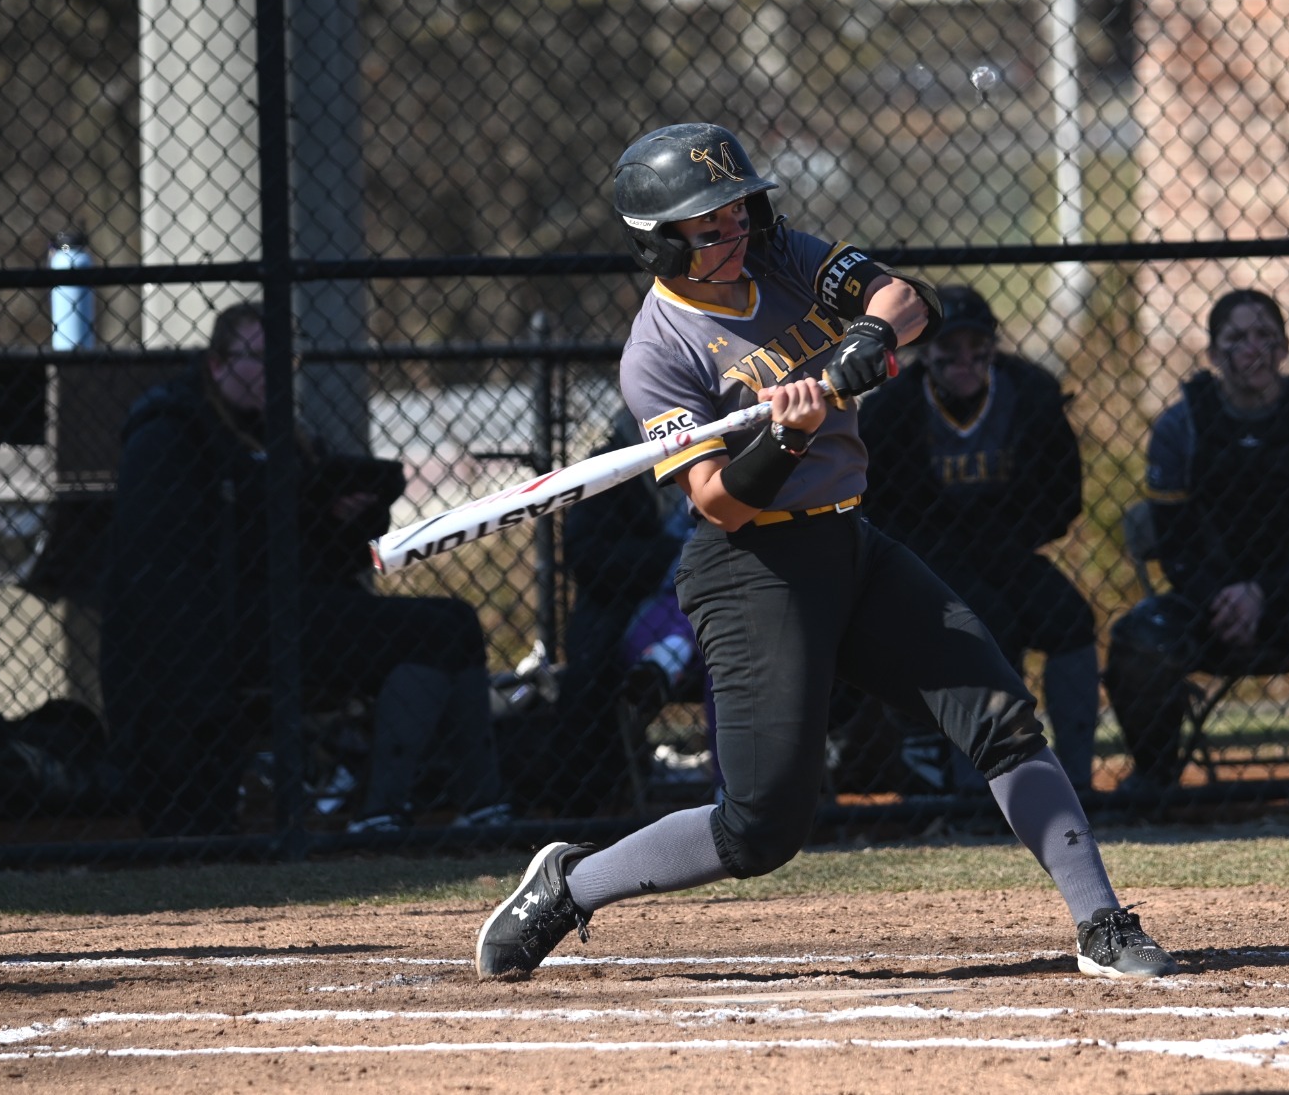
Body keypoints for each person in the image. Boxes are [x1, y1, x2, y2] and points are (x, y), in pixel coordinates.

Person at [474, 122, 1176, 981]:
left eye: (738, 212)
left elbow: (907, 299)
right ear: (661, 243)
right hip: (752, 571)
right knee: (761, 827)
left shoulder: (782, 254)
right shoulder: (658, 353)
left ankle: (1100, 920)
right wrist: (789, 436)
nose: (733, 234)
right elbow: (718, 500)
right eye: (709, 226)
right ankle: (573, 881)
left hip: (850, 539)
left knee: (997, 716)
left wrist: (865, 344)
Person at [100, 302, 509, 836]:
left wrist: (340, 515)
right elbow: (180, 561)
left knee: (448, 627)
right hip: (232, 623)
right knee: (438, 630)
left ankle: (446, 805)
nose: (270, 371)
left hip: (303, 607)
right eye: (254, 357)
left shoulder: (285, 434)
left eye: (281, 359)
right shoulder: (172, 431)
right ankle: (387, 808)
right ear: (217, 364)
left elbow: (323, 554)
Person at [1104, 289, 1289, 800]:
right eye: (1237, 338)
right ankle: (1156, 783)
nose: (1253, 349)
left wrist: (1263, 595)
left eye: (1265, 337)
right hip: (1210, 608)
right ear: (1212, 354)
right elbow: (1177, 545)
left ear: (1284, 348)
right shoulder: (1179, 425)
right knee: (1140, 638)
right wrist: (1225, 598)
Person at [860, 284, 1100, 790]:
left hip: (1010, 548)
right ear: (925, 353)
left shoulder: (1030, 393)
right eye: (950, 348)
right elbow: (879, 506)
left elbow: (1063, 493)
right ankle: (984, 790)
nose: (965, 360)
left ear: (994, 346)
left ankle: (1077, 782)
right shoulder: (893, 410)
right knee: (989, 626)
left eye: (978, 347)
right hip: (933, 561)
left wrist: (1013, 535)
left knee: (1070, 618)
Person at [542, 406, 710, 816]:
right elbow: (589, 558)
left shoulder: (719, 460)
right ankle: (657, 668)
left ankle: (741, 783)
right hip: (631, 612)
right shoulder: (610, 472)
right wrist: (673, 554)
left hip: (703, 604)